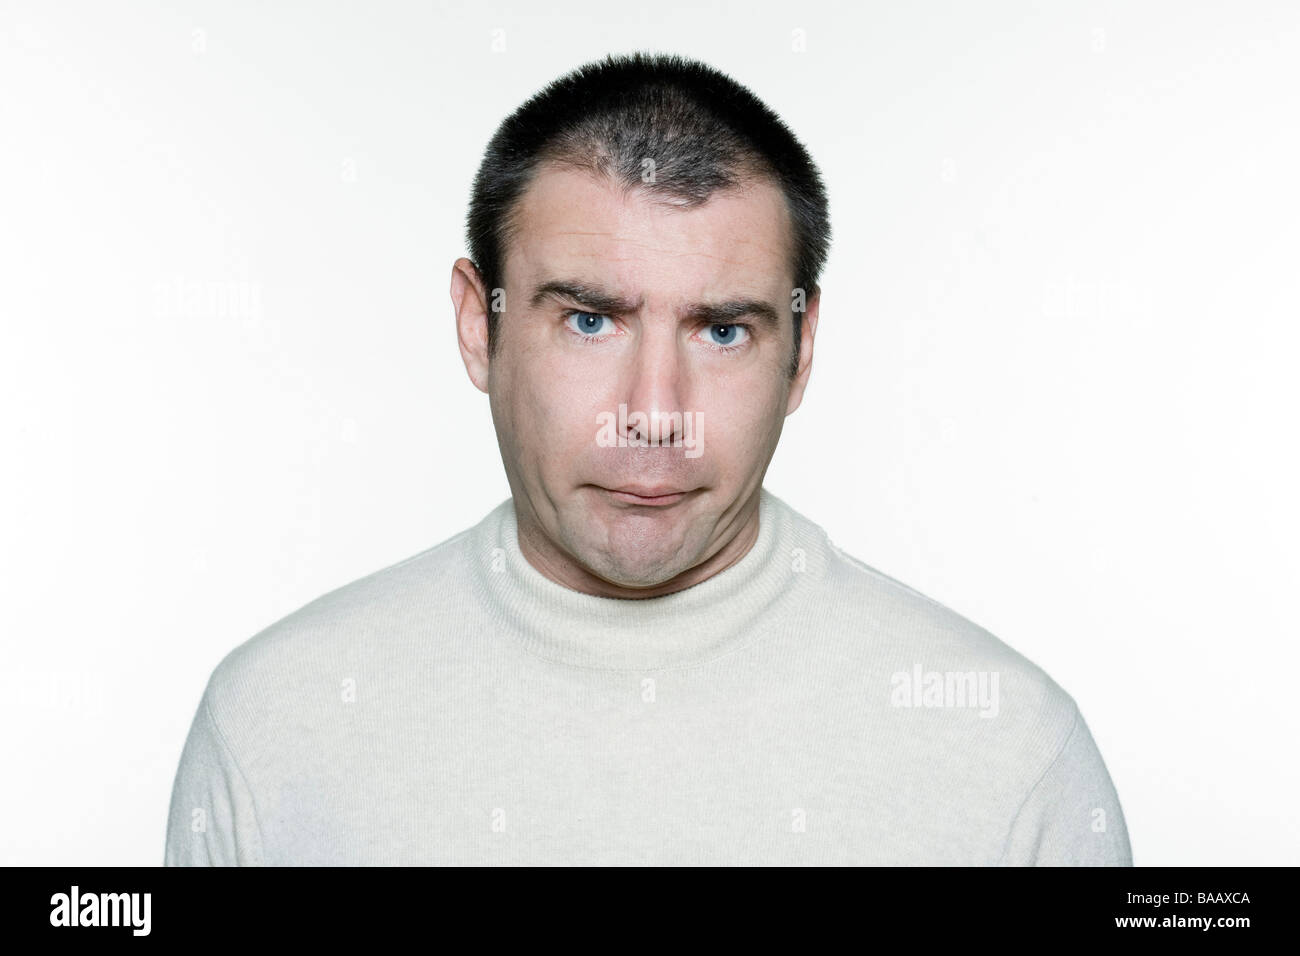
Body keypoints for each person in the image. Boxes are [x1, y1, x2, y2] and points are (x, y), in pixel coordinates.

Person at [165, 51, 1131, 866]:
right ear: (479, 326)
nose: (654, 416)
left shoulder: (1009, 753)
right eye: (589, 320)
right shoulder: (275, 723)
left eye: (721, 332)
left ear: (801, 348)